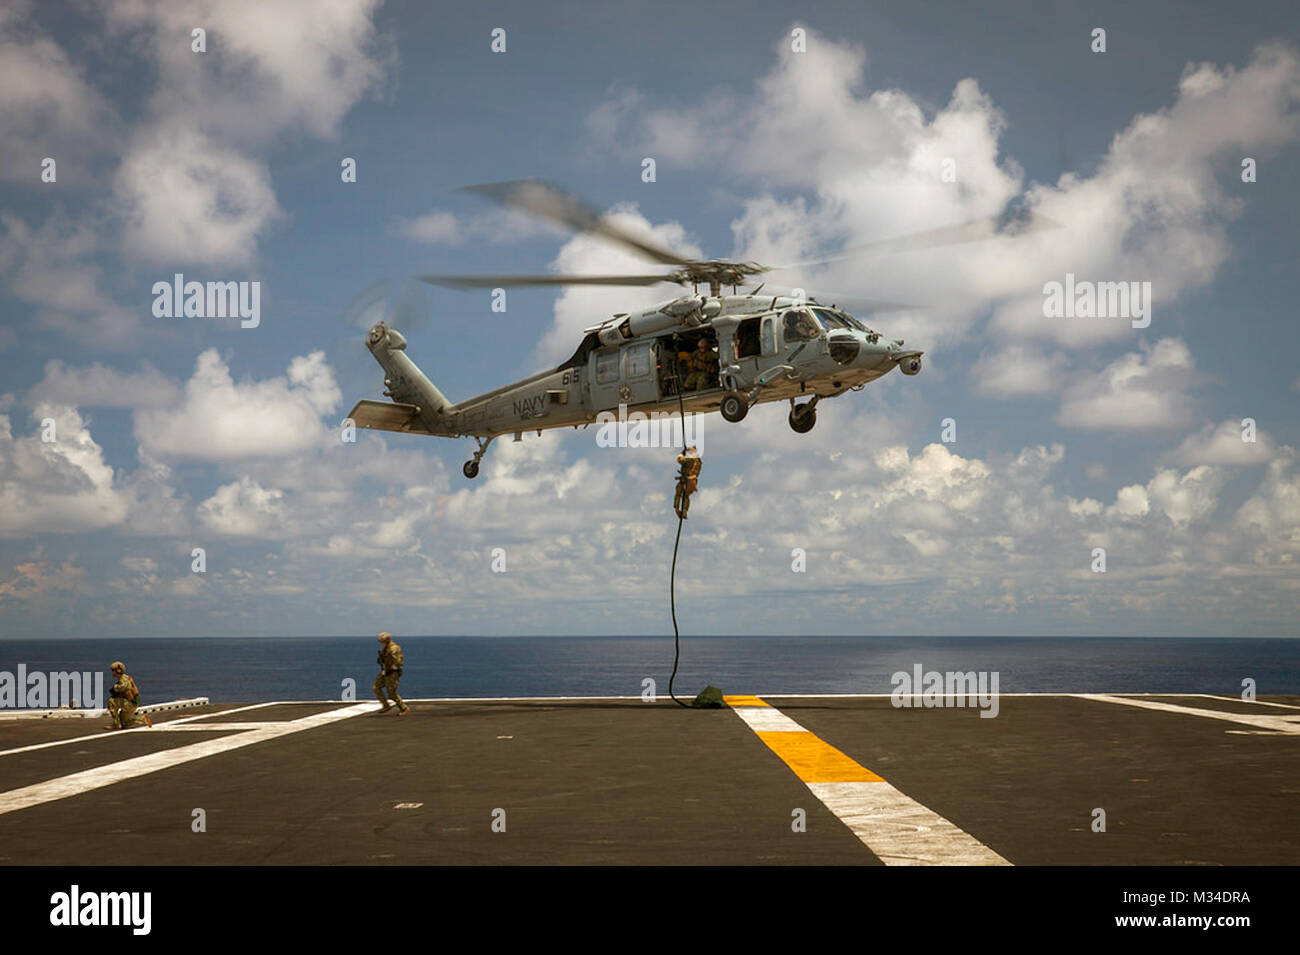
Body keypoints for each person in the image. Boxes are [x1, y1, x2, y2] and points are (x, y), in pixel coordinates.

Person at [105, 661, 151, 730]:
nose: (112, 672)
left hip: (130, 703)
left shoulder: (123, 680)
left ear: (117, 671)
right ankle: (142, 719)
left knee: (111, 702)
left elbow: (126, 686)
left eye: (113, 670)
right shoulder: (125, 677)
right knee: (123, 722)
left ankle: (116, 724)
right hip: (133, 703)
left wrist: (116, 687)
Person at [373, 632, 410, 716]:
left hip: (392, 673)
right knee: (376, 687)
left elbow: (397, 662)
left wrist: (390, 669)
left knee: (391, 693)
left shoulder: (393, 649)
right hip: (386, 671)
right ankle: (386, 705)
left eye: (382, 641)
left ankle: (404, 708)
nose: (381, 643)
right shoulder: (385, 648)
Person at [674, 446, 702, 519]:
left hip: (686, 479)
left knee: (678, 493)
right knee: (686, 496)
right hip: (692, 481)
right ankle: (685, 510)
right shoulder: (698, 461)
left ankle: (677, 509)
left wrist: (681, 453)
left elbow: (680, 460)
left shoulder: (690, 459)